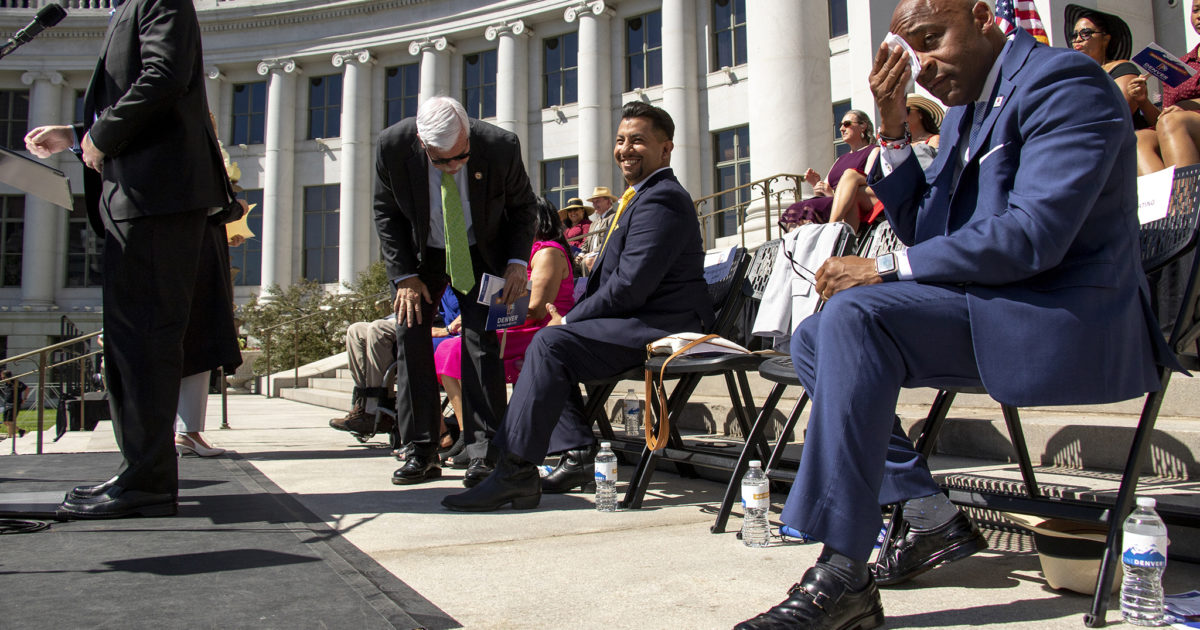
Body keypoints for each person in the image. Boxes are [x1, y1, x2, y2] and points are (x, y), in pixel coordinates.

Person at [735, 2, 1179, 628]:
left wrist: (886, 269)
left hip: (1064, 320)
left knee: (853, 317)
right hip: (992, 305)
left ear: (982, 16)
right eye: (910, 53)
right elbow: (931, 230)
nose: (922, 67)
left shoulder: (1065, 82)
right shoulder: (971, 108)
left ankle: (842, 571)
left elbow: (1033, 235)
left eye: (930, 40)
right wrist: (892, 135)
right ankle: (925, 512)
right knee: (815, 335)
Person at [441, 101, 714, 512]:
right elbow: (615, 284)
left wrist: (569, 316)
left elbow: (629, 287)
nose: (626, 149)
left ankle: (515, 471)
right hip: (641, 317)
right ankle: (577, 454)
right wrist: (567, 319)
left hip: (665, 326)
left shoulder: (664, 200)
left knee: (553, 343)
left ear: (666, 149)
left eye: (639, 140)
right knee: (554, 342)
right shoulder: (642, 198)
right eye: (621, 140)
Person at [25, 0, 239, 520]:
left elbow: (164, 77)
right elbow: (142, 100)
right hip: (139, 196)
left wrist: (100, 135)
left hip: (156, 197)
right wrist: (80, 137)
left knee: (145, 341)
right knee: (130, 344)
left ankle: (147, 481)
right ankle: (139, 471)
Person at [374, 95, 538, 489]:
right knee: (409, 334)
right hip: (422, 255)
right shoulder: (392, 146)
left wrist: (517, 262)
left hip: (482, 252)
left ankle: (484, 453)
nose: (452, 166)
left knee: (480, 340)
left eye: (460, 156)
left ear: (468, 133)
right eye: (440, 160)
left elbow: (523, 208)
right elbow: (386, 212)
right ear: (420, 141)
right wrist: (403, 277)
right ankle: (420, 449)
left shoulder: (501, 145)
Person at [435, 196, 576, 476]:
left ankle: (484, 436)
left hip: (541, 329)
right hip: (515, 326)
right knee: (445, 349)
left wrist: (487, 318)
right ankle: (468, 433)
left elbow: (536, 309)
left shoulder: (547, 252)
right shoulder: (523, 255)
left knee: (456, 349)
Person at [828, 95, 943, 233]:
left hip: (914, 190)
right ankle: (846, 240)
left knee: (850, 174)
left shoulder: (933, 139)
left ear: (920, 114)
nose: (901, 114)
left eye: (906, 110)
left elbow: (933, 170)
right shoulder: (899, 143)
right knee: (855, 192)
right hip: (893, 187)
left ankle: (831, 230)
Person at [1064, 5, 1157, 132]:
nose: (1078, 39)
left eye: (1086, 33)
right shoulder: (1071, 77)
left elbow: (1118, 111)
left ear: (1106, 39)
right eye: (1074, 35)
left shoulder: (1122, 68)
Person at [779, 110, 876, 230]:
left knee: (809, 207)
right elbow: (822, 193)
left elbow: (868, 181)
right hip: (832, 201)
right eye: (840, 125)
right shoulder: (840, 159)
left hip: (851, 201)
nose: (841, 128)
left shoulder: (873, 150)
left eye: (846, 124)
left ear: (863, 126)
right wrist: (816, 185)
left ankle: (832, 232)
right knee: (795, 209)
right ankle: (795, 246)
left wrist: (831, 193)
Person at [1136, 0, 1200, 174]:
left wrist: (1185, 107)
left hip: (1183, 124)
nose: (1199, 16)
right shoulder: (1180, 65)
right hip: (1174, 124)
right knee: (1139, 139)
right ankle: (1165, 199)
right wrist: (1143, 101)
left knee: (1173, 122)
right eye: (1196, 10)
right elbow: (1162, 117)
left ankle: (1185, 198)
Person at [575, 186, 620, 274]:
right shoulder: (594, 223)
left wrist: (593, 252)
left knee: (587, 261)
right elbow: (587, 242)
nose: (594, 204)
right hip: (590, 257)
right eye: (593, 202)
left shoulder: (614, 217)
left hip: (605, 256)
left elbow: (610, 239)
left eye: (597, 201)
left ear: (608, 201)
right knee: (573, 264)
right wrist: (581, 254)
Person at [1, 370, 28, 440]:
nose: (2, 379)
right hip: (7, 404)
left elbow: (27, 388)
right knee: (5, 422)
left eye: (3, 377)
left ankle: (10, 437)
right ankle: (20, 430)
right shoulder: (6, 384)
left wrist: (24, 398)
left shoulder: (16, 383)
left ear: (8, 377)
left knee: (10, 421)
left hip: (14, 404)